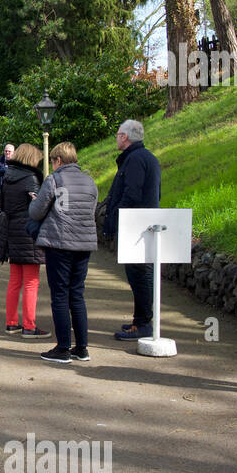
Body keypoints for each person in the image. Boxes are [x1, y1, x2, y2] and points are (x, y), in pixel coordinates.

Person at [28, 141, 98, 363]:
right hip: (84, 244)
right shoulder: (90, 182)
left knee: (59, 295)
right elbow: (91, 210)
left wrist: (36, 201)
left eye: (53, 161)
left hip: (59, 243)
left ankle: (63, 347)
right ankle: (82, 347)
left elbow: (37, 212)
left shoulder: (54, 179)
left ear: (58, 160)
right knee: (77, 294)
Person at [101, 119, 162, 340]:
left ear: (125, 137)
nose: (116, 138)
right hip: (142, 223)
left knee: (139, 275)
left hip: (136, 225)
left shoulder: (135, 160)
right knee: (139, 274)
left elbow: (132, 194)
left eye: (118, 134)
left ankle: (144, 323)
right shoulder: (145, 158)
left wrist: (117, 217)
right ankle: (140, 320)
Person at [0, 143, 49, 338]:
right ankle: (29, 325)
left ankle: (11, 323)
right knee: (31, 282)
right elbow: (37, 207)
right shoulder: (31, 178)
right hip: (28, 233)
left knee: (14, 281)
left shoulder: (8, 177)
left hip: (11, 232)